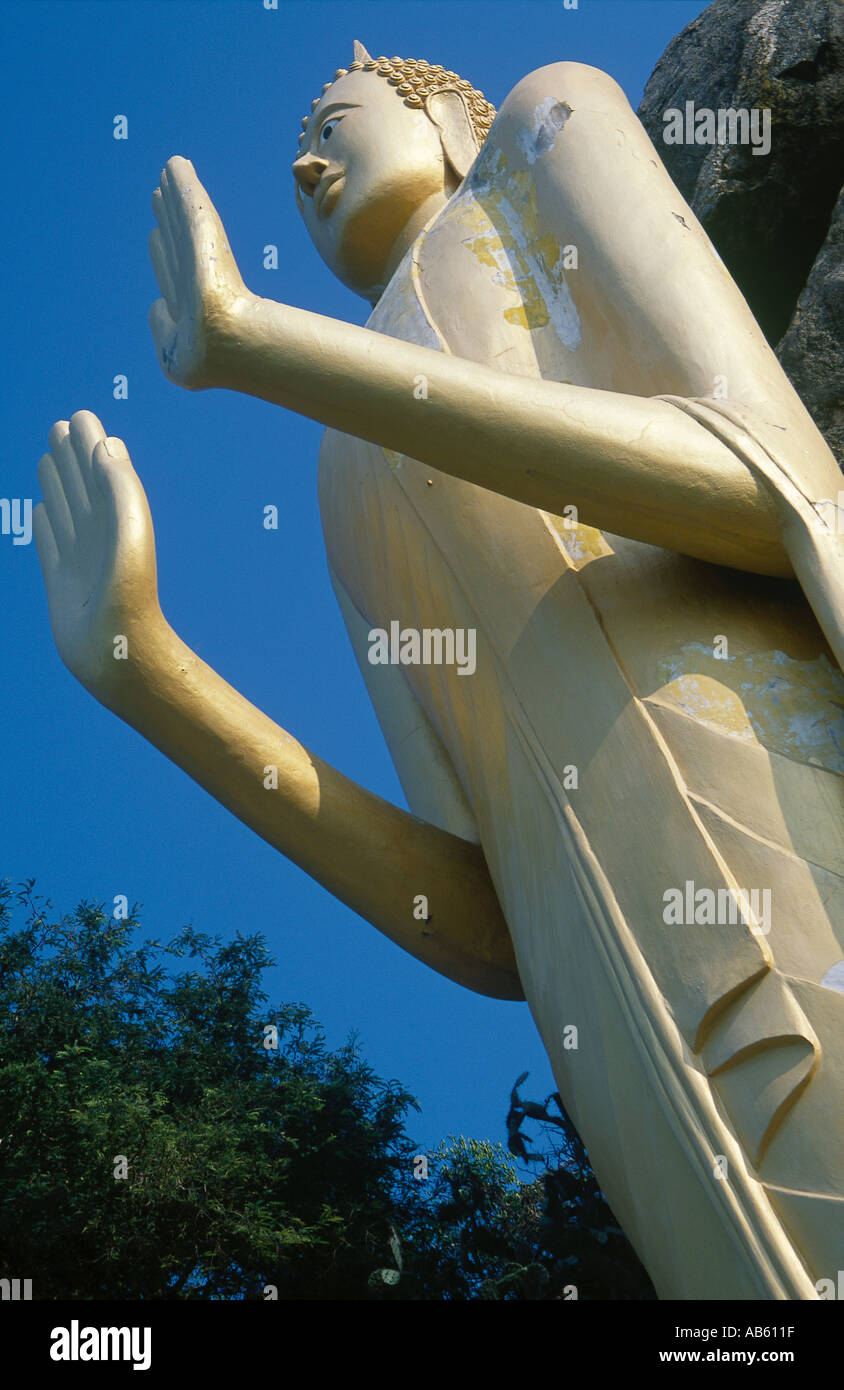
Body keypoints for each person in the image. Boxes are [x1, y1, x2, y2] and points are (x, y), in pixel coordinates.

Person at [35, 44, 844, 1298]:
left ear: (443, 116)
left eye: (335, 117)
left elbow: (763, 482)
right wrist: (149, 669)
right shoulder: (340, 468)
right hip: (640, 1060)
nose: (305, 161)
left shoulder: (541, 131)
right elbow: (482, 921)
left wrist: (264, 345)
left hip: (790, 848)